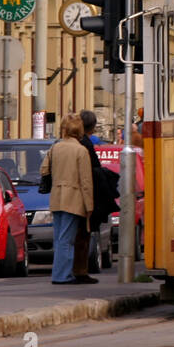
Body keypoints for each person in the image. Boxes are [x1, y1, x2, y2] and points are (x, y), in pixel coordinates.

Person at [40, 114, 94, 285]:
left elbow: (44, 169)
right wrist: (89, 205)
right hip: (74, 198)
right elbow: (85, 181)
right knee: (67, 239)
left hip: (56, 196)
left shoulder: (55, 147)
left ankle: (59, 272)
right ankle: (62, 275)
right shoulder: (81, 150)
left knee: (59, 238)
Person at [73, 109, 114, 282]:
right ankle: (79, 271)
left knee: (74, 236)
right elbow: (91, 172)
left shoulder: (66, 143)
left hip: (70, 195)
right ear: (93, 127)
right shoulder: (86, 145)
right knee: (83, 234)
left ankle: (73, 271)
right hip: (83, 195)